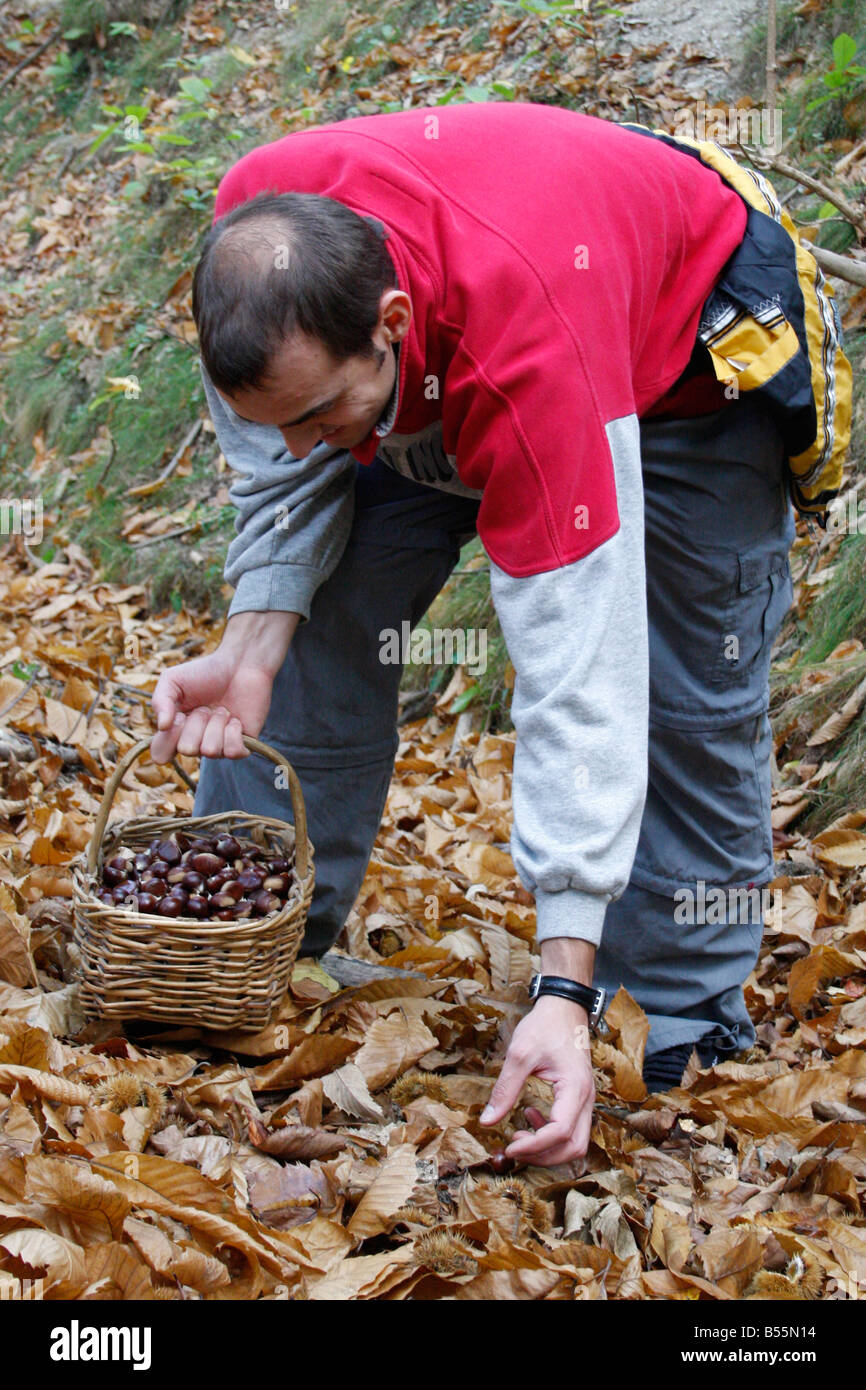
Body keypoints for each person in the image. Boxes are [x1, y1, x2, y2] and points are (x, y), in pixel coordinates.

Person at [150, 102, 850, 1169]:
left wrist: (560, 983)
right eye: (272, 417)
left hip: (679, 373)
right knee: (322, 618)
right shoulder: (257, 256)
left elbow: (581, 667)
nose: (295, 447)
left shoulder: (529, 345)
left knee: (690, 699)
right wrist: (252, 642)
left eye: (317, 416)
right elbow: (287, 464)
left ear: (389, 320)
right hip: (432, 367)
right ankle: (254, 938)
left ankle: (668, 1009)